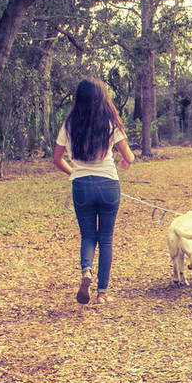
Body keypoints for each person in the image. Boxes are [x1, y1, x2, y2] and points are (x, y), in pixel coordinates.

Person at [53, 78, 135, 305]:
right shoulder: (110, 123)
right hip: (108, 184)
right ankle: (102, 293)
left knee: (88, 235)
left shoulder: (69, 124)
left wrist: (74, 172)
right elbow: (129, 157)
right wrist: (124, 163)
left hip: (81, 186)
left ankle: (86, 271)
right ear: (102, 98)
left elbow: (57, 159)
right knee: (106, 238)